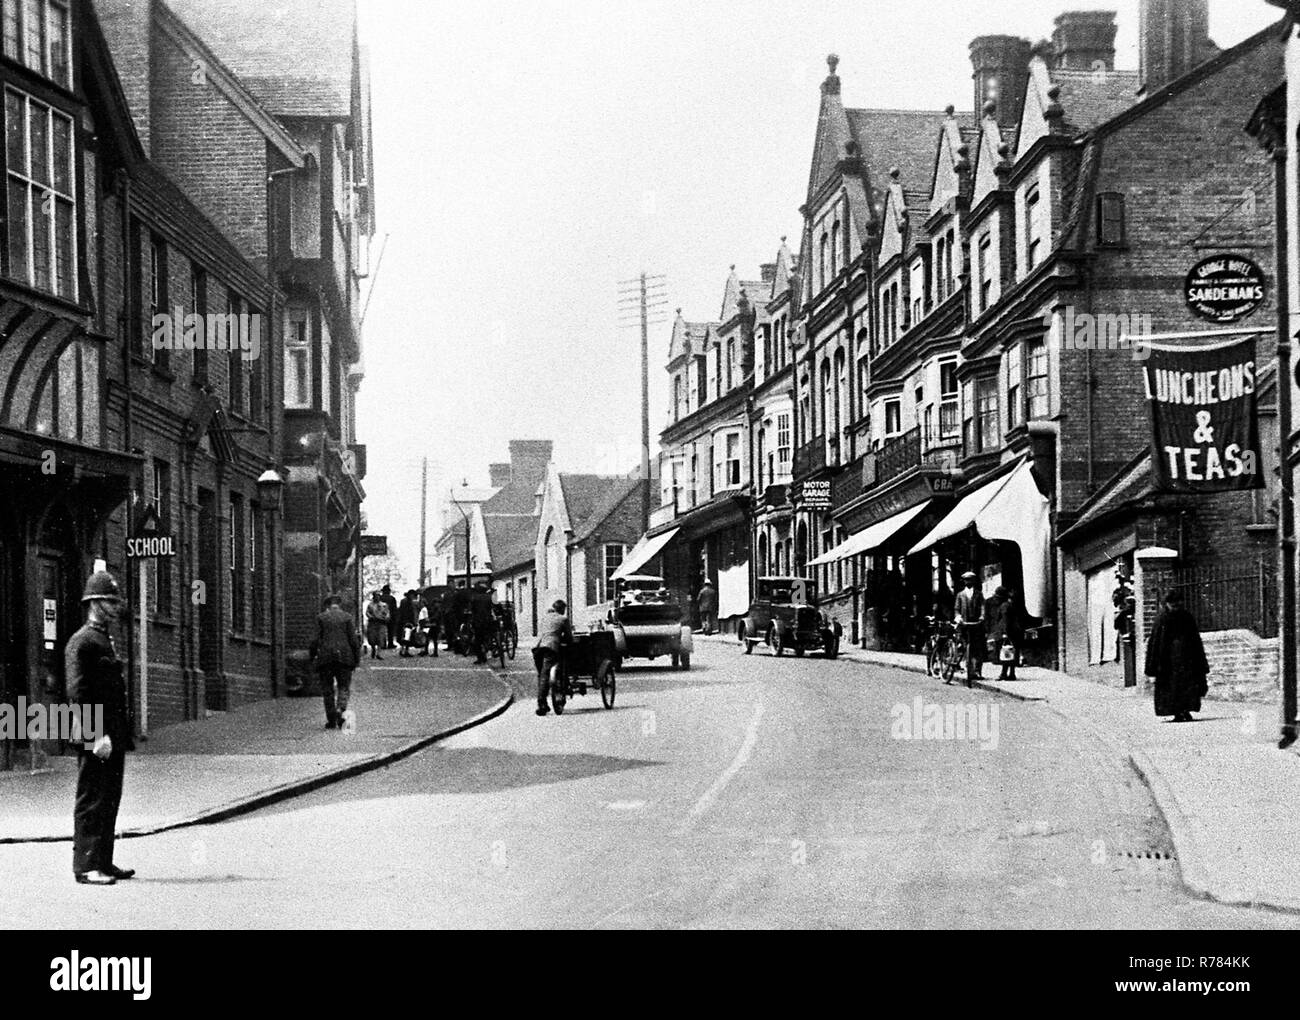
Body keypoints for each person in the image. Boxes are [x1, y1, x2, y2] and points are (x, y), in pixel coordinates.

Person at [66, 570, 134, 886]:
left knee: (110, 798)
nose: (115, 606)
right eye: (109, 600)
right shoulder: (81, 642)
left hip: (113, 736)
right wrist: (96, 735)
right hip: (96, 737)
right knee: (92, 799)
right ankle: (86, 866)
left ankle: (103, 861)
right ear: (94, 603)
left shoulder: (104, 639)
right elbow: (78, 693)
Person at [1145, 589, 1210, 722]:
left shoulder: (1186, 617)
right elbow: (1156, 643)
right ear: (1167, 604)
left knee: (1187, 685)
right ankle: (1177, 712)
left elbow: (1195, 640)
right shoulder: (1162, 619)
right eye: (1172, 603)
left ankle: (1185, 710)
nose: (1175, 606)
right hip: (1168, 661)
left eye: (1178, 603)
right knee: (1172, 686)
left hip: (1187, 659)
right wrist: (1155, 665)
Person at [312, 593, 361, 729]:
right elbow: (353, 641)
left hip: (325, 658)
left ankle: (331, 719)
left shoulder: (321, 618)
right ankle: (341, 708)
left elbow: (315, 640)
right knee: (343, 687)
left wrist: (312, 656)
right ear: (339, 604)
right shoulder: (347, 617)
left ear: (327, 605)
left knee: (327, 690)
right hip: (345, 658)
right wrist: (356, 659)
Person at [533, 599, 573, 716]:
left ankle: (543, 703)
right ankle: (542, 704)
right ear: (562, 609)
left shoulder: (545, 618)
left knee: (542, 675)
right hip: (551, 648)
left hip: (538, 648)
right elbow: (569, 637)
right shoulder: (563, 619)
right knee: (547, 674)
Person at [953, 570, 985, 686]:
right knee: (965, 646)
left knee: (978, 648)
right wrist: (958, 617)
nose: (968, 582)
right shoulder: (960, 595)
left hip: (975, 624)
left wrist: (982, 616)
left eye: (970, 579)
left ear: (974, 581)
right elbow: (956, 608)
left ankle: (977, 671)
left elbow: (982, 606)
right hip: (964, 624)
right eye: (966, 580)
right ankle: (968, 669)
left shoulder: (978, 594)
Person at [985, 586, 1023, 681]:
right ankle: (1011, 674)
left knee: (1005, 653)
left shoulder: (1004, 606)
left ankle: (1004, 674)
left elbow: (1005, 620)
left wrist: (1005, 633)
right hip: (1015, 632)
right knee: (1011, 653)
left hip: (1008, 632)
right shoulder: (1010, 604)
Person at [470, 582, 495, 664]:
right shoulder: (490, 597)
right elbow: (495, 607)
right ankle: (489, 645)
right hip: (488, 621)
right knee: (489, 635)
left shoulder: (475, 598)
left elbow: (472, 610)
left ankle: (480, 658)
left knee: (477, 640)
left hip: (478, 622)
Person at [365, 590, 389, 659]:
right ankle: (373, 649)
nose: (377, 597)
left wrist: (386, 617)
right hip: (373, 623)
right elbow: (367, 613)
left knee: (380, 638)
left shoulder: (384, 605)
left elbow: (387, 613)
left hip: (381, 623)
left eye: (378, 596)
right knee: (372, 638)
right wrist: (370, 617)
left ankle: (379, 653)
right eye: (376, 596)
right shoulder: (370, 605)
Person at [396, 589, 420, 657]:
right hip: (406, 622)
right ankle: (404, 651)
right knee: (406, 637)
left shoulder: (406, 601)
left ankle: (403, 650)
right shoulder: (407, 602)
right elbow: (407, 612)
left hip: (405, 621)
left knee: (406, 637)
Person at [421, 590, 441, 658]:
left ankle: (434, 652)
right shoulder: (434, 609)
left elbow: (436, 617)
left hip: (435, 626)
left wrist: (430, 619)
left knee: (433, 639)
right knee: (429, 638)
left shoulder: (437, 610)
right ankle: (430, 651)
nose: (437, 604)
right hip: (433, 625)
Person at [380, 584, 399, 650]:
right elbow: (394, 609)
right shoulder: (392, 598)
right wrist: (395, 617)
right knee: (390, 631)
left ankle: (383, 644)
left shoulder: (380, 598)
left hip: (381, 617)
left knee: (382, 631)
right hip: (391, 617)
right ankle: (390, 644)